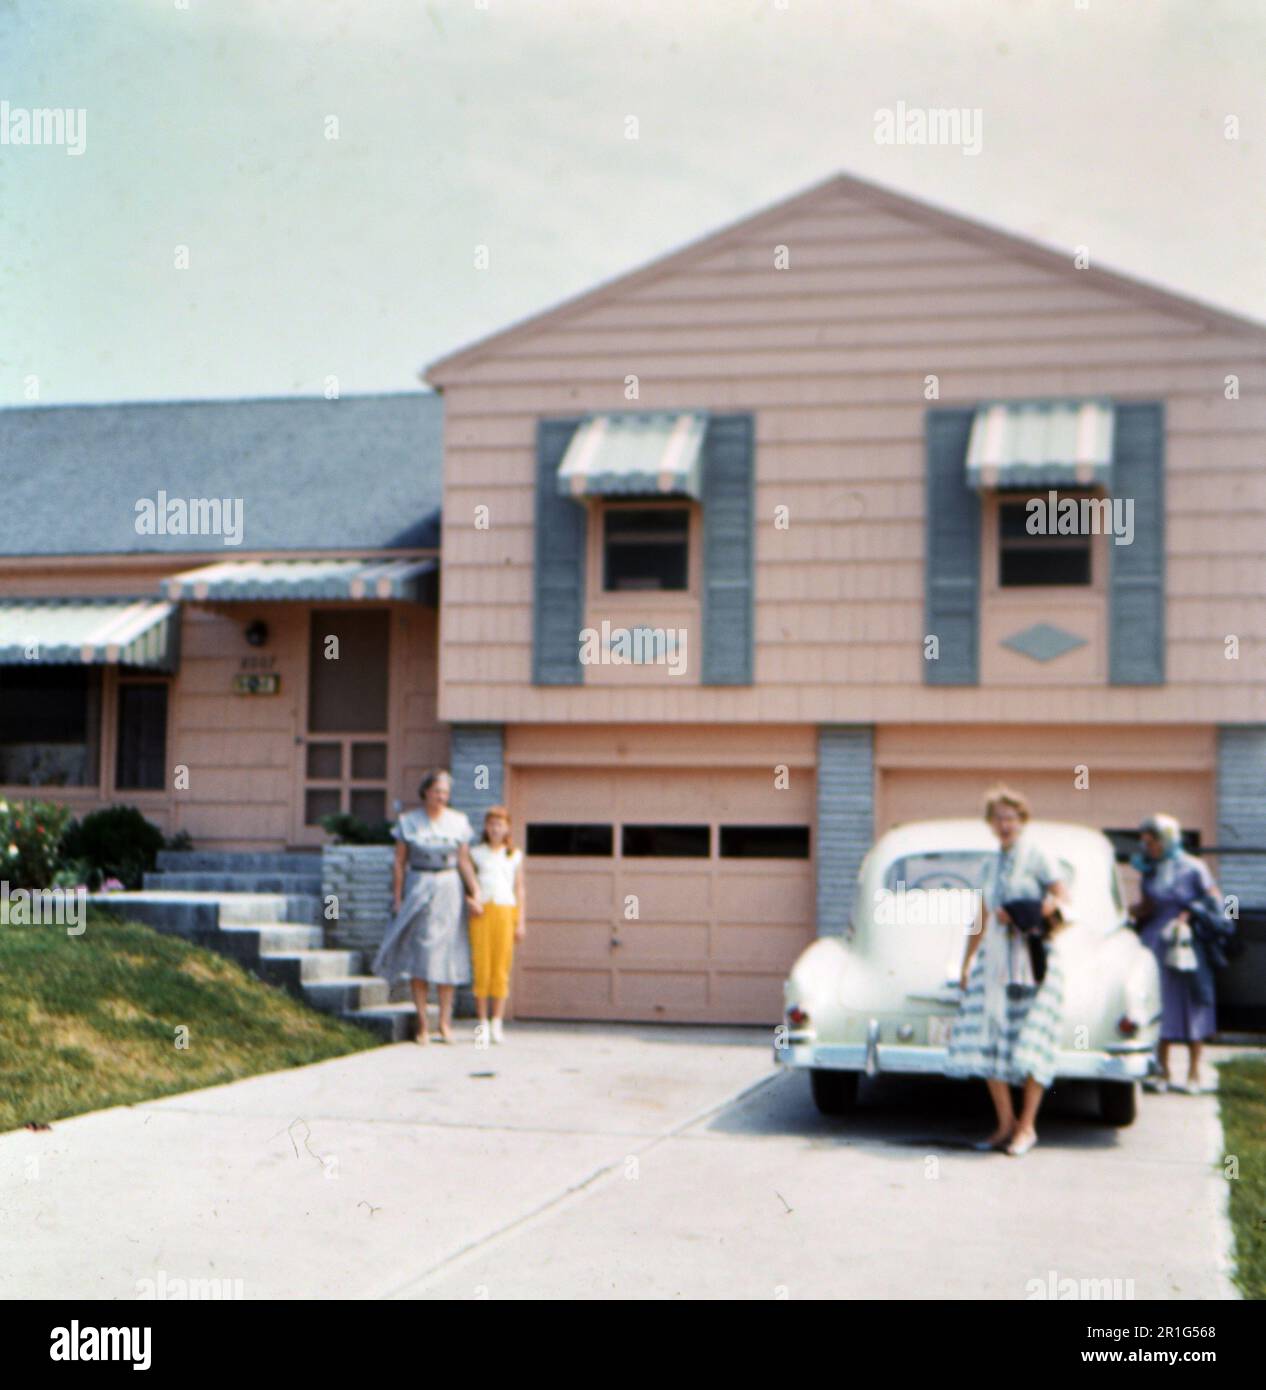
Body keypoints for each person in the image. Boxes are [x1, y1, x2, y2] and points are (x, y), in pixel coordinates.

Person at [946, 785, 1069, 1157]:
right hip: (996, 958)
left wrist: (1026, 912)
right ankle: (1005, 1124)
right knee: (990, 1037)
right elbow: (980, 917)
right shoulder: (989, 864)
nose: (1005, 824)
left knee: (1031, 1040)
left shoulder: (1038, 856)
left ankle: (1027, 1127)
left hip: (1033, 955)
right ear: (990, 823)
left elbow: (1062, 898)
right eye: (998, 818)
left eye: (1011, 818)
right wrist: (967, 962)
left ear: (1022, 820)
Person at [372, 769, 483, 1045]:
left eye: (445, 793)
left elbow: (464, 862)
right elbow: (399, 862)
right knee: (420, 955)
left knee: (448, 956)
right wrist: (397, 898)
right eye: (437, 792)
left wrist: (476, 892)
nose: (441, 797)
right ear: (425, 793)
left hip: (449, 888)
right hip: (419, 883)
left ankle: (445, 1024)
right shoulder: (409, 821)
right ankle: (422, 1023)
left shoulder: (458, 822)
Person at [1129, 814, 1220, 1094]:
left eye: (1152, 841)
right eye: (1145, 843)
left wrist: (1191, 912)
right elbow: (1147, 905)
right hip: (1156, 941)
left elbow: (1216, 898)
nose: (1148, 848)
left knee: (1192, 1002)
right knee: (1160, 1003)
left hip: (1185, 943)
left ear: (1167, 839)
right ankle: (1162, 1070)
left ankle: (1194, 1073)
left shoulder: (1193, 867)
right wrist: (1133, 911)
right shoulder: (1151, 869)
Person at [468, 806, 526, 1045]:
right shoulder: (476, 853)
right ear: (485, 827)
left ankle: (497, 1023)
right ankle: (481, 1024)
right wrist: (471, 901)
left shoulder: (514, 855)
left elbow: (519, 889)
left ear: (507, 828)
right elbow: (466, 884)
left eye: (500, 824)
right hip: (482, 913)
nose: (495, 828)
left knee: (501, 968)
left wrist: (520, 920)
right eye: (491, 824)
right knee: (482, 967)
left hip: (505, 911)